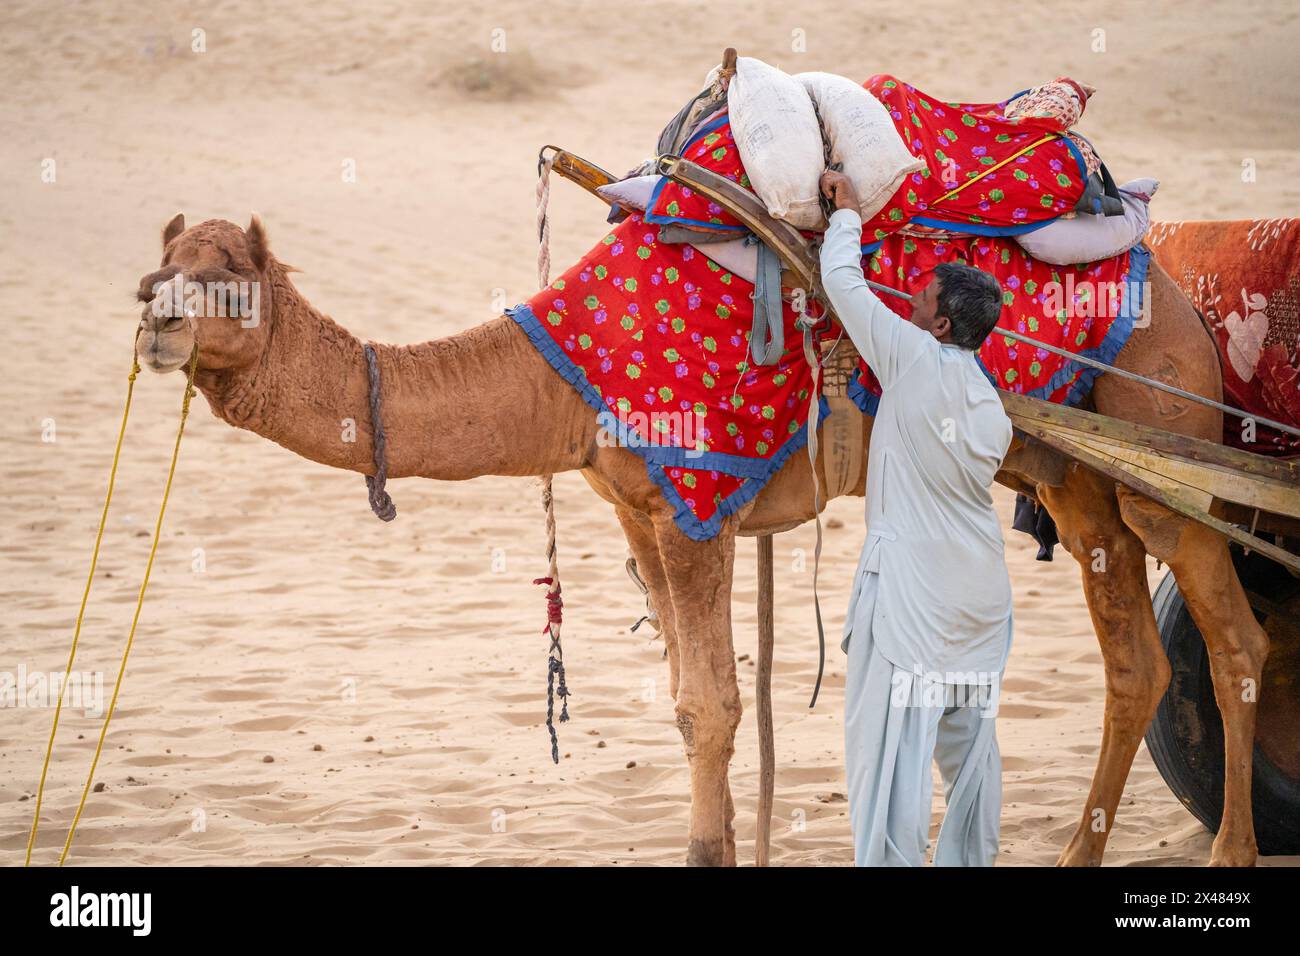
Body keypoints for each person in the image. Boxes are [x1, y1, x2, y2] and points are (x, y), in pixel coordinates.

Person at [818, 170, 1015, 867]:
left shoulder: (911, 358)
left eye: (920, 296)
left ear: (939, 323)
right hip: (981, 607)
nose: (906, 299)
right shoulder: (992, 410)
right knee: (970, 766)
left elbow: (843, 285)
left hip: (913, 605)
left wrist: (845, 217)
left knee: (887, 767)